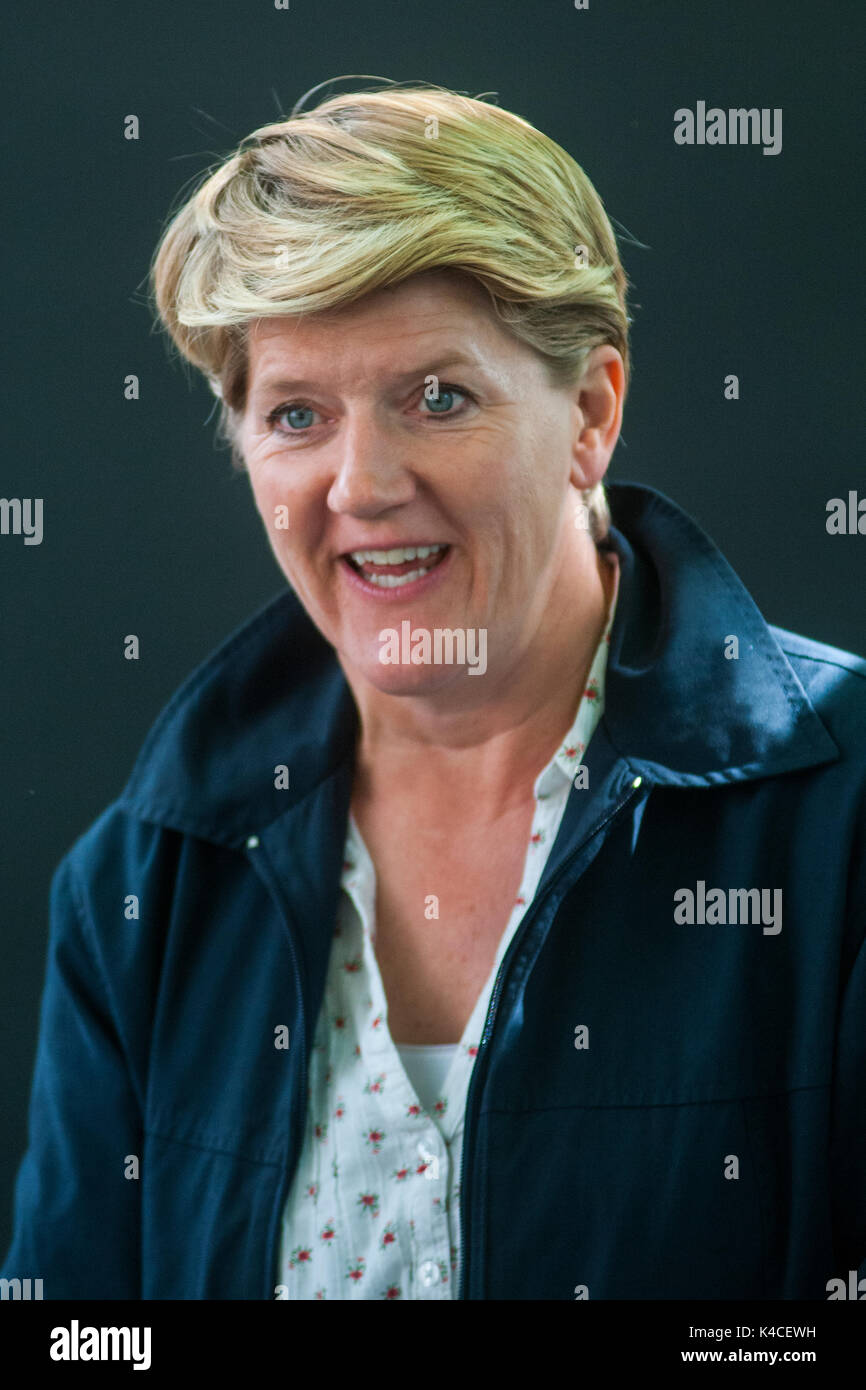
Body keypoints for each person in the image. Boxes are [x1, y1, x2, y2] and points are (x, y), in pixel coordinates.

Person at [2, 80, 864, 1301]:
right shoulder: (143, 883)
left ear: (590, 413)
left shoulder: (841, 815)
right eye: (296, 413)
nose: (361, 482)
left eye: (437, 398)